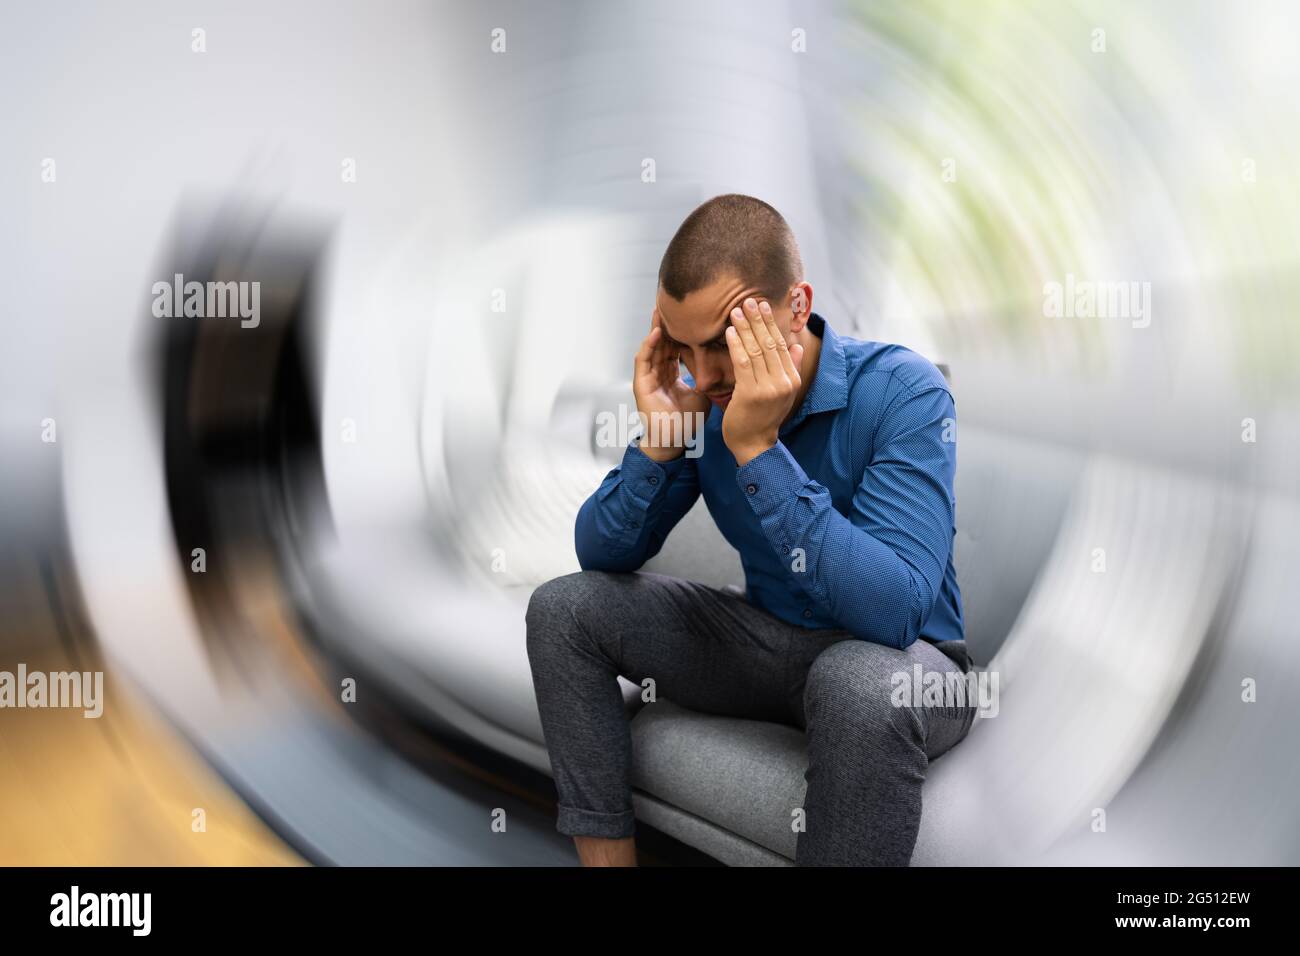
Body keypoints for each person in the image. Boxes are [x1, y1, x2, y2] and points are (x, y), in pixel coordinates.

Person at [525, 193, 975, 866]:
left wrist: (760, 451)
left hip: (903, 667)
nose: (702, 376)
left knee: (855, 683)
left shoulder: (905, 392)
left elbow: (896, 612)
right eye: (682, 347)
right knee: (562, 609)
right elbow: (601, 551)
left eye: (721, 346)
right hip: (764, 643)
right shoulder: (700, 402)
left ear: (796, 308)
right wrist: (661, 439)